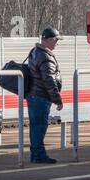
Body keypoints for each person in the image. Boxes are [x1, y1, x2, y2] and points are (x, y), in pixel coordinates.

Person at [27, 27, 63, 164]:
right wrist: (57, 100)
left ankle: (36, 154)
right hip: (41, 96)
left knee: (35, 126)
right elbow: (49, 80)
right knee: (39, 126)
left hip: (34, 95)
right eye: (55, 40)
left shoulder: (35, 51)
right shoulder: (45, 56)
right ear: (47, 40)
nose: (57, 43)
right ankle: (39, 155)